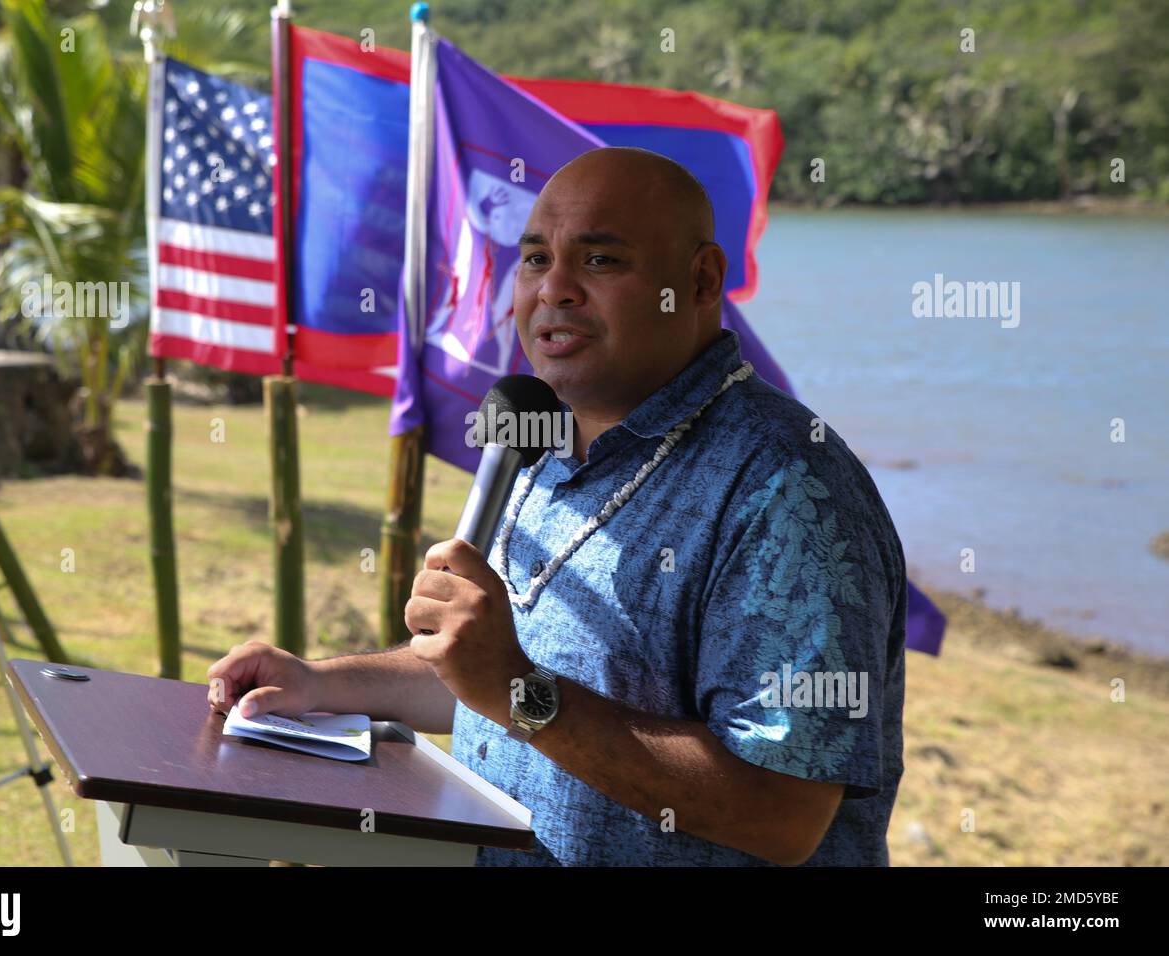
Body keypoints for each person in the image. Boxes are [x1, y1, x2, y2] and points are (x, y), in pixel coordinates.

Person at [208, 146, 908, 866]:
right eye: (537, 259)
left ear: (700, 281)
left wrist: (516, 689)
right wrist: (321, 683)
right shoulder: (542, 442)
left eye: (600, 261)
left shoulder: (788, 486)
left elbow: (782, 814)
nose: (555, 290)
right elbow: (489, 680)